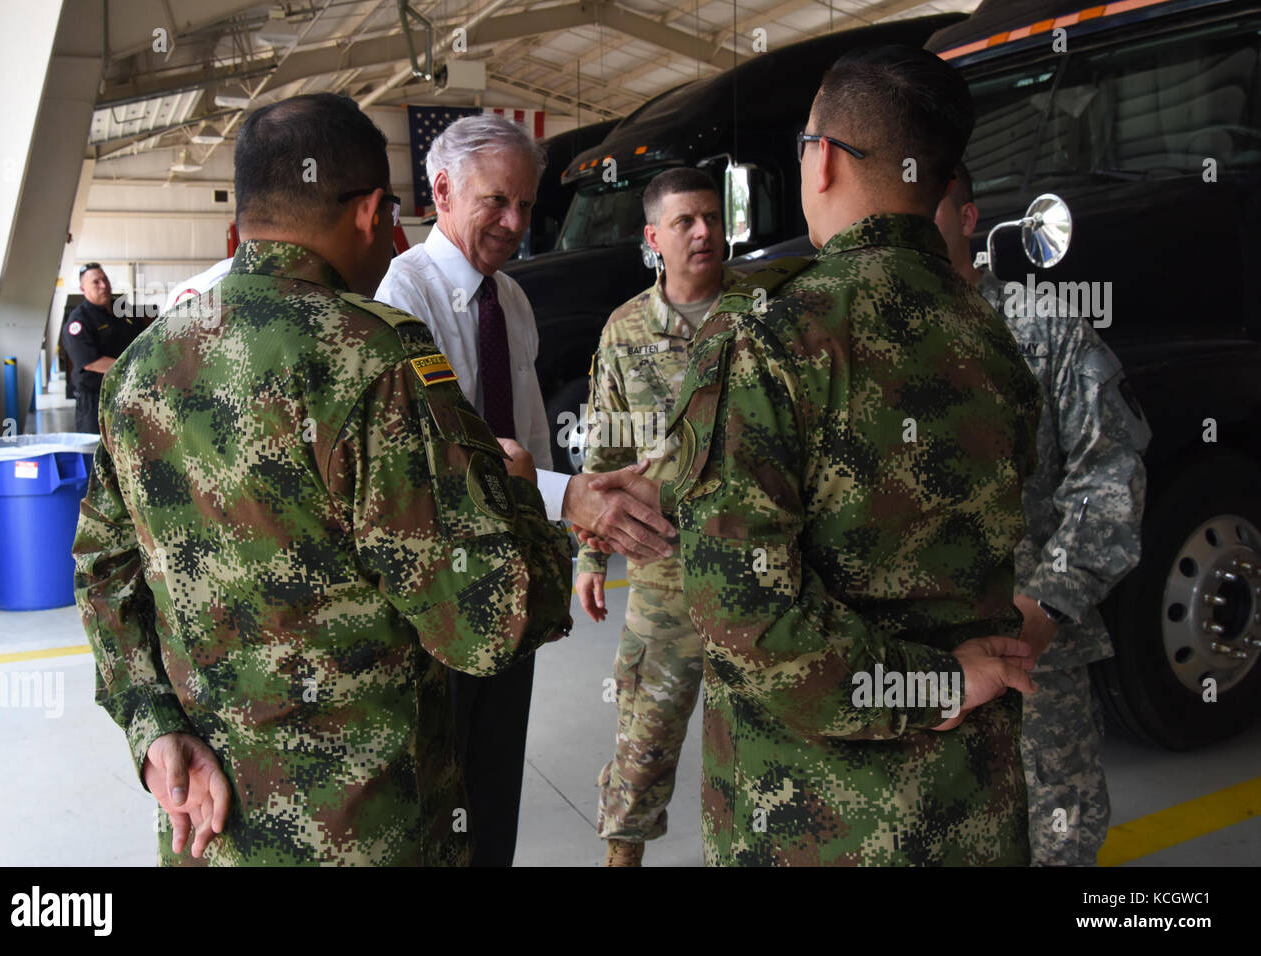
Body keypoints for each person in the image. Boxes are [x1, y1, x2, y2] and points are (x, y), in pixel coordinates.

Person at [73, 92, 574, 866]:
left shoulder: (142, 365)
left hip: (210, 827)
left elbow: (104, 571)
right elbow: (486, 626)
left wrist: (154, 726)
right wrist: (518, 499)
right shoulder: (377, 358)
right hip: (367, 829)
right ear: (371, 212)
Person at [658, 46, 1043, 865]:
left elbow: (747, 616)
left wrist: (932, 683)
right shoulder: (993, 339)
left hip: (813, 826)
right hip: (975, 812)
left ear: (823, 159)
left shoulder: (768, 337)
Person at [374, 112, 672, 867]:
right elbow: (446, 462)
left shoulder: (508, 297)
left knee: (495, 779)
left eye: (526, 205)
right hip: (444, 591)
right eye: (496, 202)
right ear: (443, 191)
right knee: (443, 790)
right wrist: (569, 497)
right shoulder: (404, 297)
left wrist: (576, 518)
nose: (515, 223)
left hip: (511, 583)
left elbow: (530, 439)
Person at [936, 162, 1150, 866]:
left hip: (1037, 658)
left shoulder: (1044, 328)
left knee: (1057, 837)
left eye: (926, 206)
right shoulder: (860, 341)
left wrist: (1047, 602)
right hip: (914, 666)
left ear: (968, 219)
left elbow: (1110, 473)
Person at [574, 167, 737, 866]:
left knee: (758, 749)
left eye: (712, 218)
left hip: (756, 574)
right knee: (642, 743)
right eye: (684, 222)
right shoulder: (626, 330)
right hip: (661, 573)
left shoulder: (763, 315)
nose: (703, 232)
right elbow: (605, 450)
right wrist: (590, 555)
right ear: (653, 238)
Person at [61, 263, 144, 432]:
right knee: (97, 445)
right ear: (83, 289)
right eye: (96, 282)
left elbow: (144, 339)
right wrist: (136, 369)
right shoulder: (79, 320)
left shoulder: (124, 311)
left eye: (105, 279)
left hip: (130, 395)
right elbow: (91, 362)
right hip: (96, 400)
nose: (104, 285)